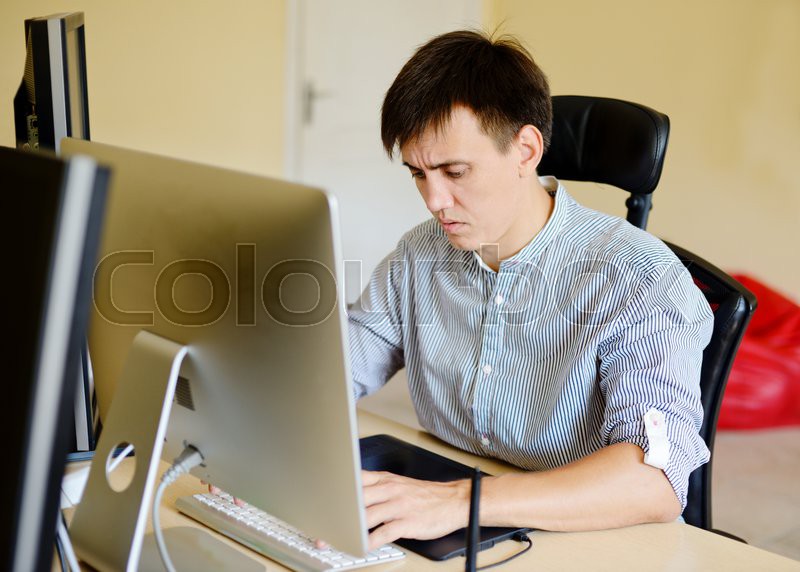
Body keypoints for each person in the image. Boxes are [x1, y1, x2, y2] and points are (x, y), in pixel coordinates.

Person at [348, 29, 714, 549]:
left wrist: (460, 503)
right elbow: (336, 367)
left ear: (525, 150)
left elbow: (653, 481)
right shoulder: (420, 253)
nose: (434, 200)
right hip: (460, 515)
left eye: (454, 171)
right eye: (418, 175)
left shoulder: (638, 276)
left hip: (598, 538)